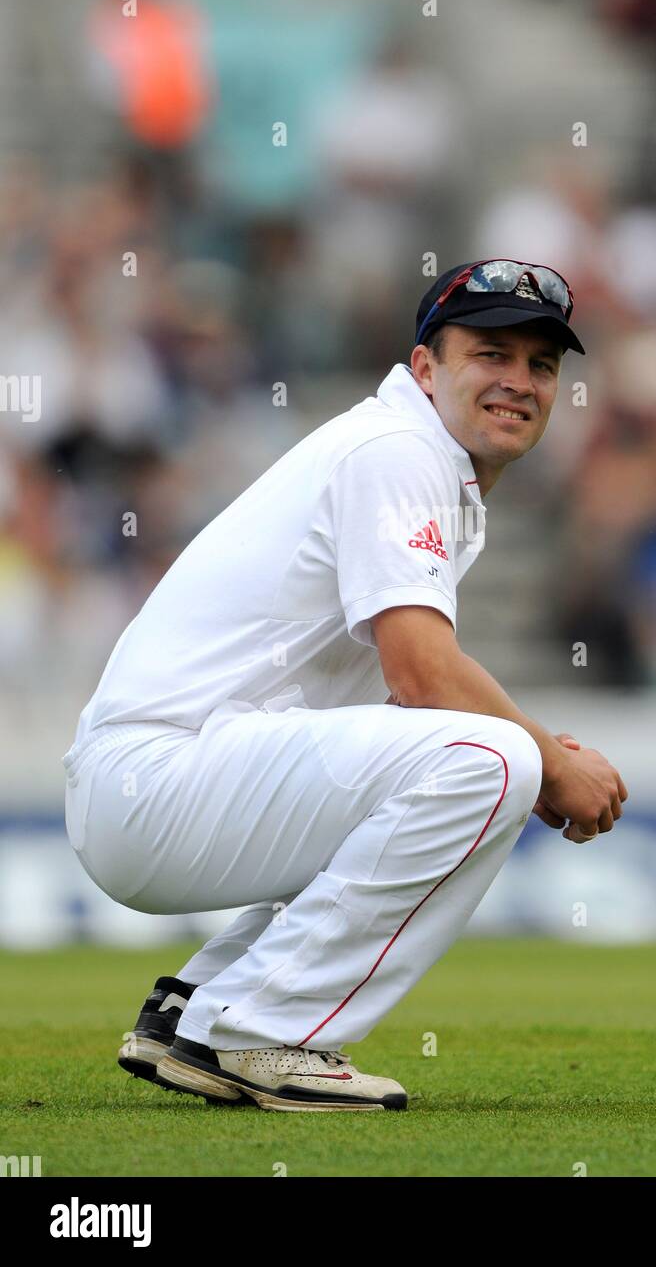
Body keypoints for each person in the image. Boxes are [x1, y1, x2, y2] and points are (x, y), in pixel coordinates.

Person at [61, 259, 627, 1113]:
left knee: (470, 760)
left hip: (158, 784)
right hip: (160, 777)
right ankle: (258, 1030)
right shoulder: (397, 450)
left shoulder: (417, 460)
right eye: (492, 353)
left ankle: (198, 1010)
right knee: (491, 760)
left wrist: (536, 755)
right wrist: (547, 761)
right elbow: (421, 672)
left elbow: (402, 703)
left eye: (541, 365)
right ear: (425, 367)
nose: (519, 381)